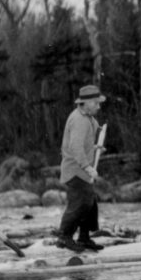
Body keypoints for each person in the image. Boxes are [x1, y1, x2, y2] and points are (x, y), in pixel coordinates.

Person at [56, 84, 106, 253]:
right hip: (75, 170)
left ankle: (84, 238)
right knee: (80, 202)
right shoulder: (78, 120)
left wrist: (95, 148)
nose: (99, 106)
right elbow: (75, 147)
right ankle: (64, 236)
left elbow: (85, 143)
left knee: (90, 203)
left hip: (83, 171)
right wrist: (87, 167)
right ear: (86, 103)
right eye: (96, 103)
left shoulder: (89, 118)